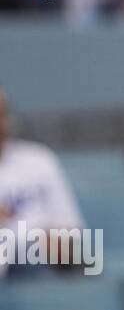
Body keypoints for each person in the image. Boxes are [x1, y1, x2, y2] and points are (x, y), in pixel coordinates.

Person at [0, 87, 86, 280]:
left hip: (43, 262)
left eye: (3, 115)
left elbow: (71, 232)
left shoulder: (39, 160)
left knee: (86, 262)